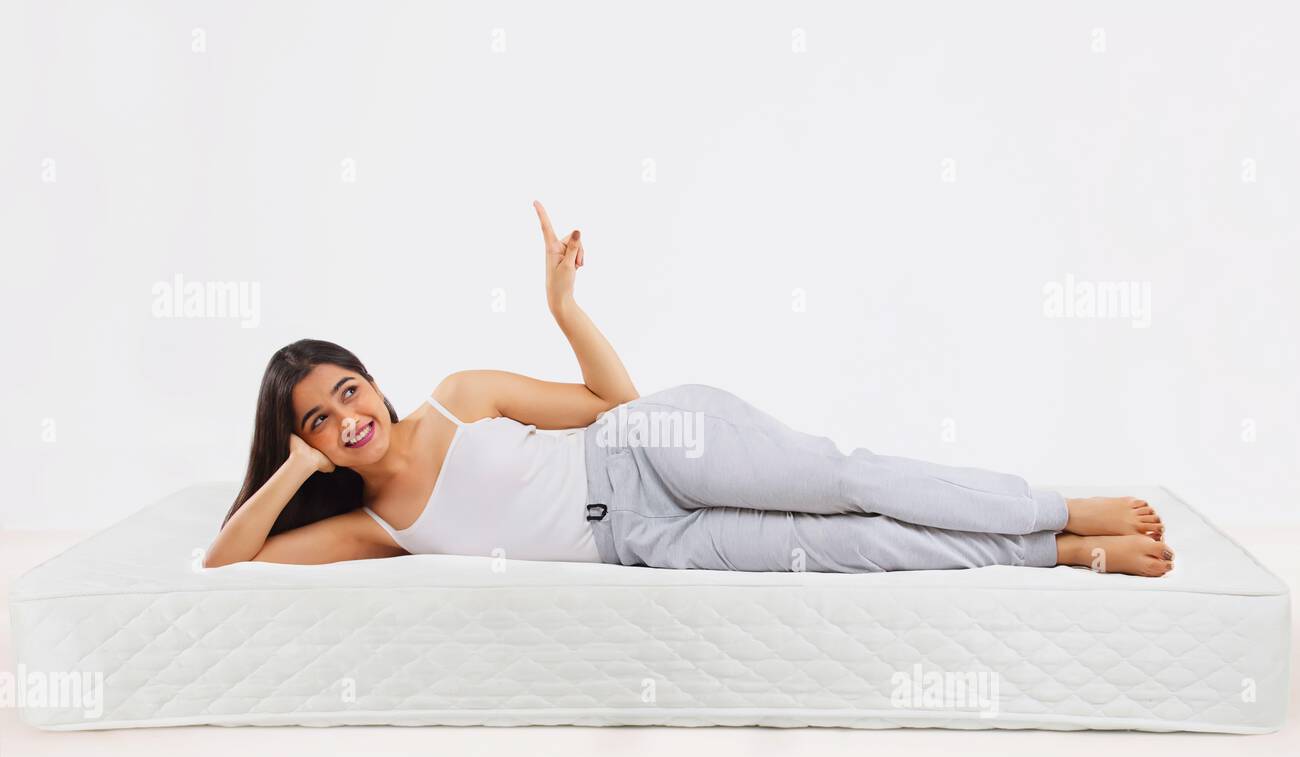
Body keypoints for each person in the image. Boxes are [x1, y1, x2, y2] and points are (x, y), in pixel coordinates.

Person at [204, 202, 1172, 577]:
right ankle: (1063, 549)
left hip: (646, 445)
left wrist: (563, 304)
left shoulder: (457, 396)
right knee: (853, 548)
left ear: (373, 379)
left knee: (847, 480)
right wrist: (291, 470)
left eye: (346, 392)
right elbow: (227, 563)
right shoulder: (377, 527)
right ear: (314, 444)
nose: (348, 419)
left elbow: (610, 404)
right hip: (640, 541)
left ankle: (1054, 502)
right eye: (321, 422)